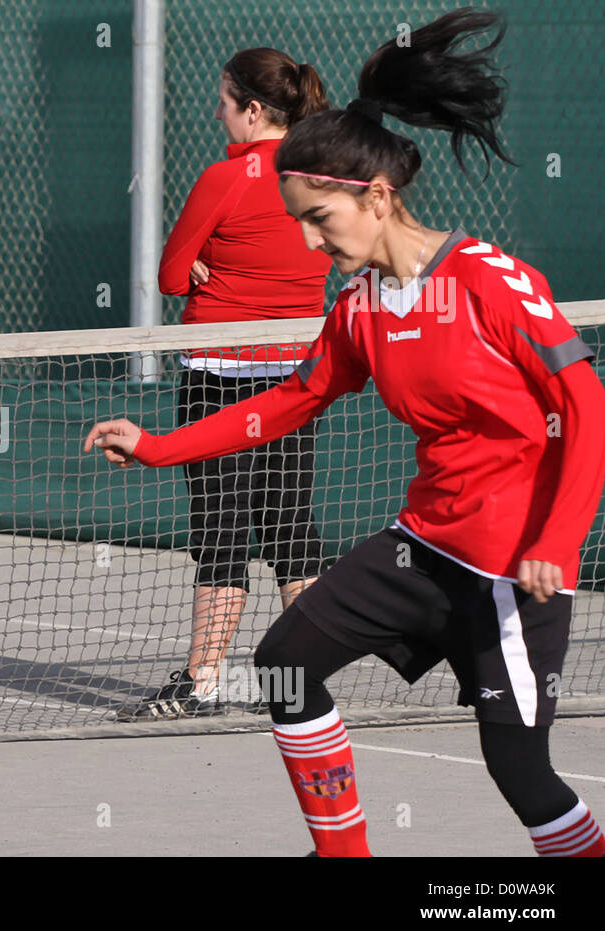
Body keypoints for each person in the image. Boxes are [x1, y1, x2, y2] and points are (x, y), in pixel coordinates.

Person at [86, 9, 605, 856]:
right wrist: (155, 445)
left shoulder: (488, 280)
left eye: (319, 218)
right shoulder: (362, 309)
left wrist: (557, 535)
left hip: (512, 566)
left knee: (521, 770)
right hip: (423, 546)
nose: (307, 238)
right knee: (286, 663)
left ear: (377, 196)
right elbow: (284, 401)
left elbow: (586, 405)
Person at [120, 49, 332, 721]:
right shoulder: (321, 175)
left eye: (224, 99)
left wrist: (211, 263)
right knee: (292, 528)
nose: (216, 110)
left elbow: (172, 275)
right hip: (295, 379)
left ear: (252, 109)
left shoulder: (224, 179)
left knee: (221, 531)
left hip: (218, 376)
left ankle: (202, 680)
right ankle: (307, 679)